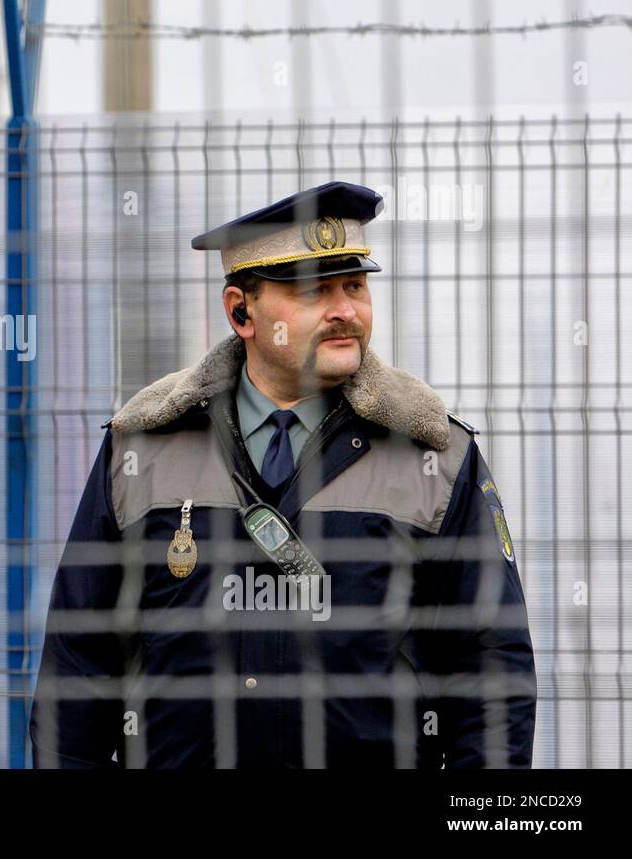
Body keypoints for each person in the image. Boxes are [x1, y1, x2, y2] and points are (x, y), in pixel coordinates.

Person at [28, 180, 537, 768]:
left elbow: (492, 669)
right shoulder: (141, 449)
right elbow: (77, 668)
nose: (346, 310)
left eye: (354, 285)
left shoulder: (435, 456)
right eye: (315, 290)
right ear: (241, 310)